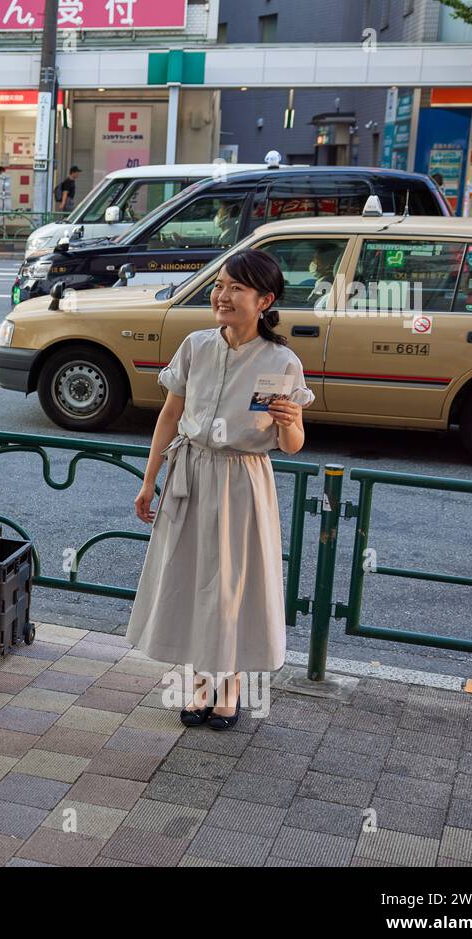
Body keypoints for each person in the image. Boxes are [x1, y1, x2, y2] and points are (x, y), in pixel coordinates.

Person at [128, 248, 314, 730]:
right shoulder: (196, 345)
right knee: (191, 580)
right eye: (220, 285)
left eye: (236, 288)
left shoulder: (281, 360)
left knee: (231, 586)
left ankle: (227, 688)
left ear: (264, 299)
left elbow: (292, 446)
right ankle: (199, 684)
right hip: (190, 473)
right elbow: (170, 415)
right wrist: (150, 481)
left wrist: (292, 422)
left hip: (242, 480)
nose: (222, 295)